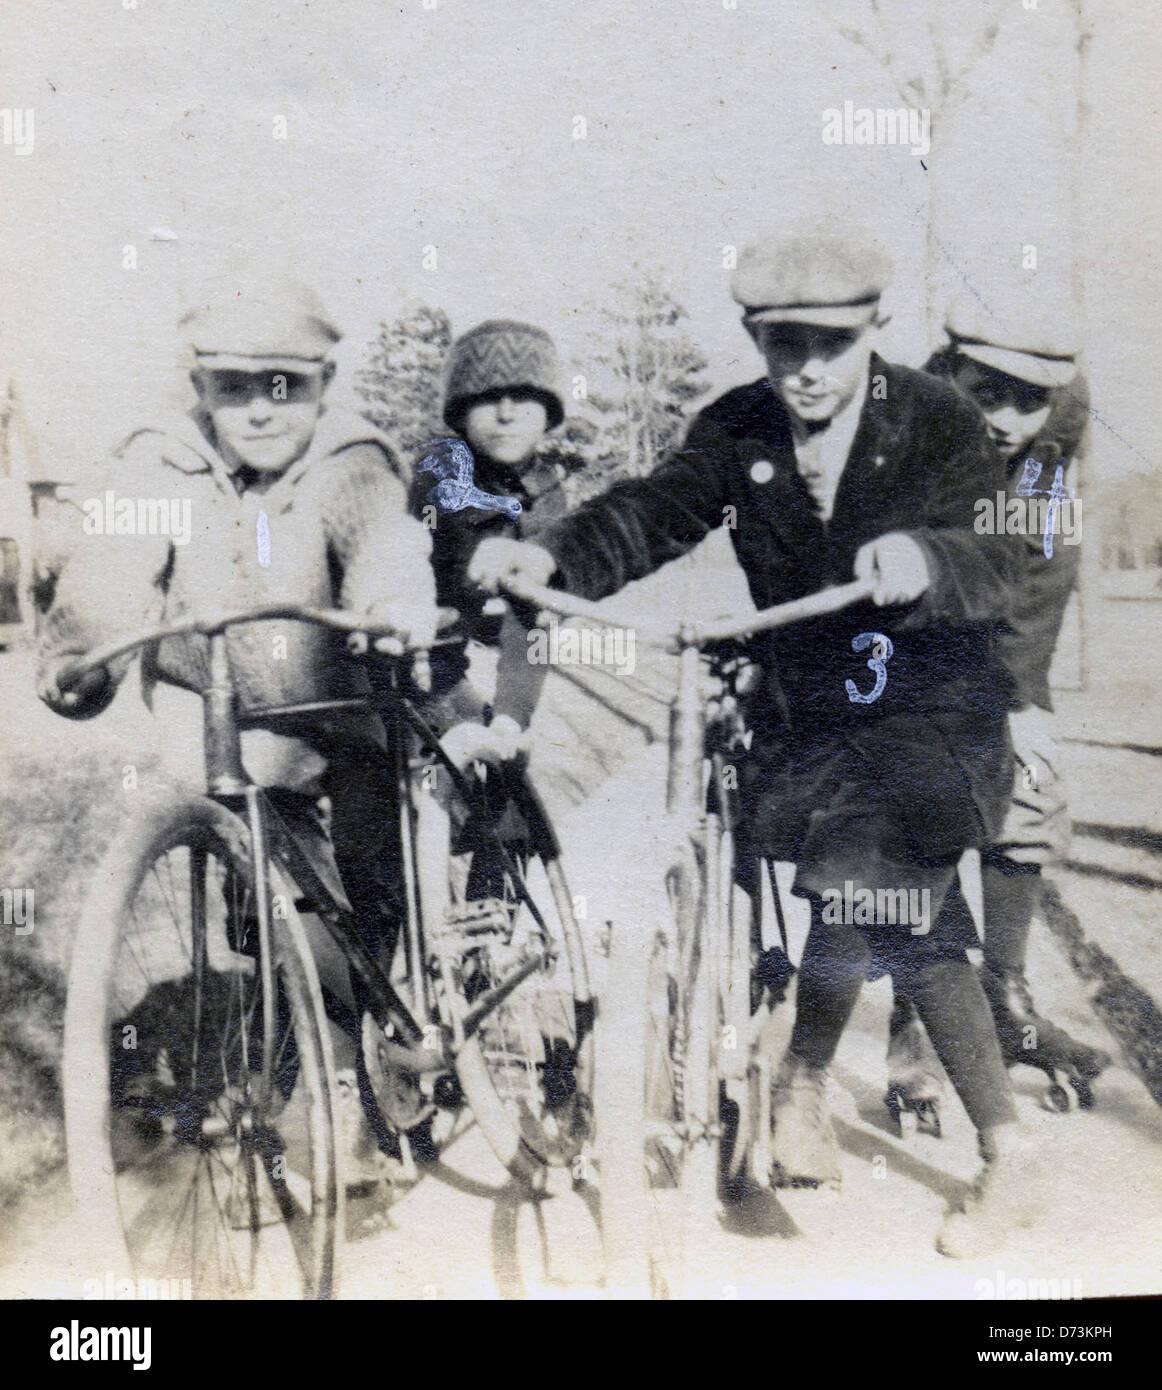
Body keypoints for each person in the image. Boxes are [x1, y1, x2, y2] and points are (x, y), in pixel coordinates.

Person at [467, 219, 1037, 1257]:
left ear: (874, 327)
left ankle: (993, 1149)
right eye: (784, 344)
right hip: (810, 712)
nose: (807, 369)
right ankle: (802, 1083)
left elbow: (1002, 551)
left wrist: (926, 556)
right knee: (851, 885)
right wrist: (555, 562)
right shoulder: (738, 426)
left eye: (832, 344)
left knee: (882, 893)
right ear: (754, 338)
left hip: (929, 709)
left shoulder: (935, 418)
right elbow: (652, 512)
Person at [36, 274, 438, 1190]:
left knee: (363, 897)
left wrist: (393, 605)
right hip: (218, 715)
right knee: (259, 910)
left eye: (285, 388)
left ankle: (365, 1061)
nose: (259, 410)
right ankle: (305, 1059)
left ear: (324, 386)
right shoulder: (162, 462)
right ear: (200, 390)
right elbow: (113, 563)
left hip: (338, 715)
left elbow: (384, 542)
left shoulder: (348, 457)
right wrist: (81, 651)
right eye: (234, 388)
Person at [885, 286, 1108, 1131]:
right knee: (922, 826)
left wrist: (1019, 710)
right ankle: (915, 1030)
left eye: (1028, 402)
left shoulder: (1045, 481)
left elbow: (1035, 606)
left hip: (1003, 673)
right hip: (902, 672)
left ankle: (1007, 997)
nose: (1006, 420)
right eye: (988, 394)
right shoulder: (900, 448)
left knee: (1030, 794)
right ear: (949, 376)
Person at [407, 317, 571, 768]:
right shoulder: (430, 479)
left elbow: (534, 618)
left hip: (478, 663)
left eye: (524, 397)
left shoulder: (546, 490)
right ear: (460, 412)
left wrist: (509, 719)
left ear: (549, 412)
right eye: (486, 398)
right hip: (406, 663)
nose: (506, 413)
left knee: (508, 770)